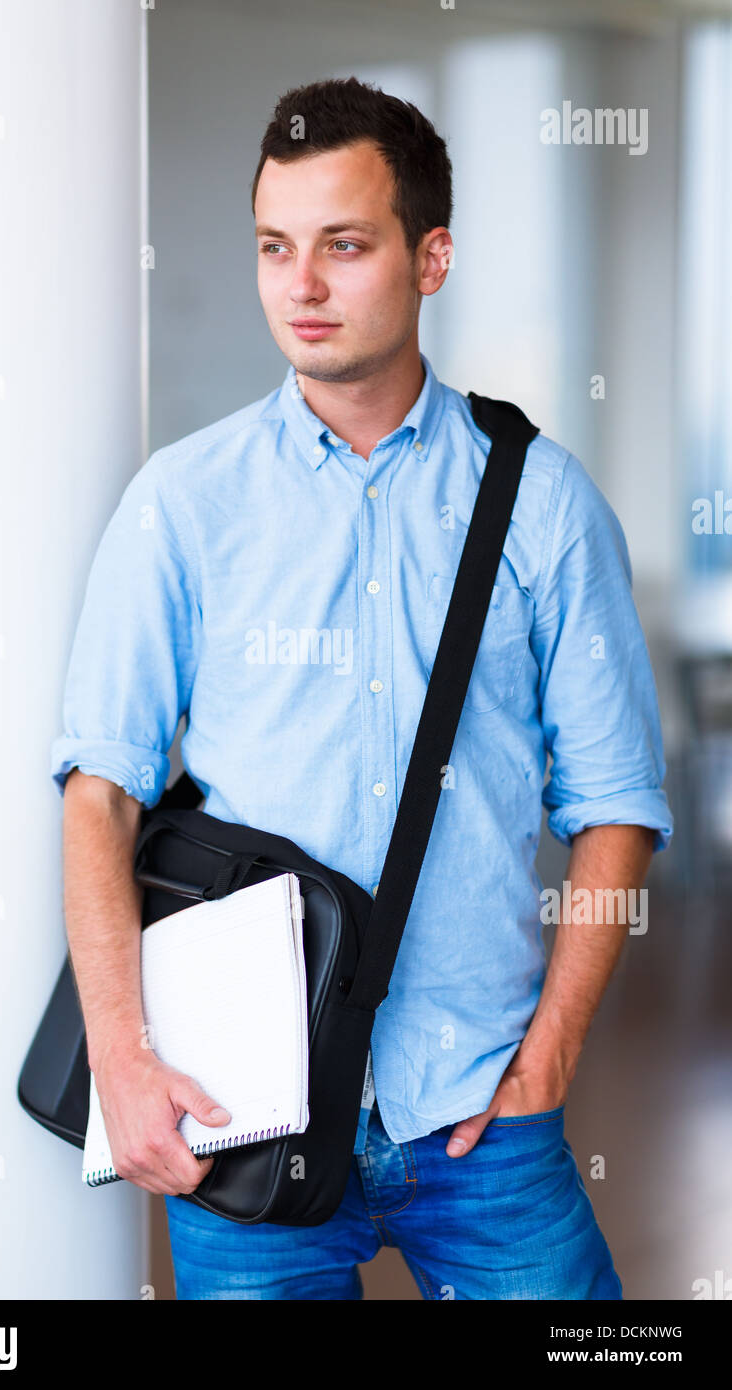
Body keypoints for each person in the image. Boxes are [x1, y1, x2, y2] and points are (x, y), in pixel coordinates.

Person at [51, 77, 673, 1300]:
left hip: (480, 1116)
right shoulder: (181, 505)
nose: (304, 285)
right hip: (240, 1115)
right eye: (276, 248)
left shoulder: (542, 506)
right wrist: (121, 1059)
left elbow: (616, 802)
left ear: (429, 256)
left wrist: (550, 1053)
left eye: (344, 244)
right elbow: (98, 792)